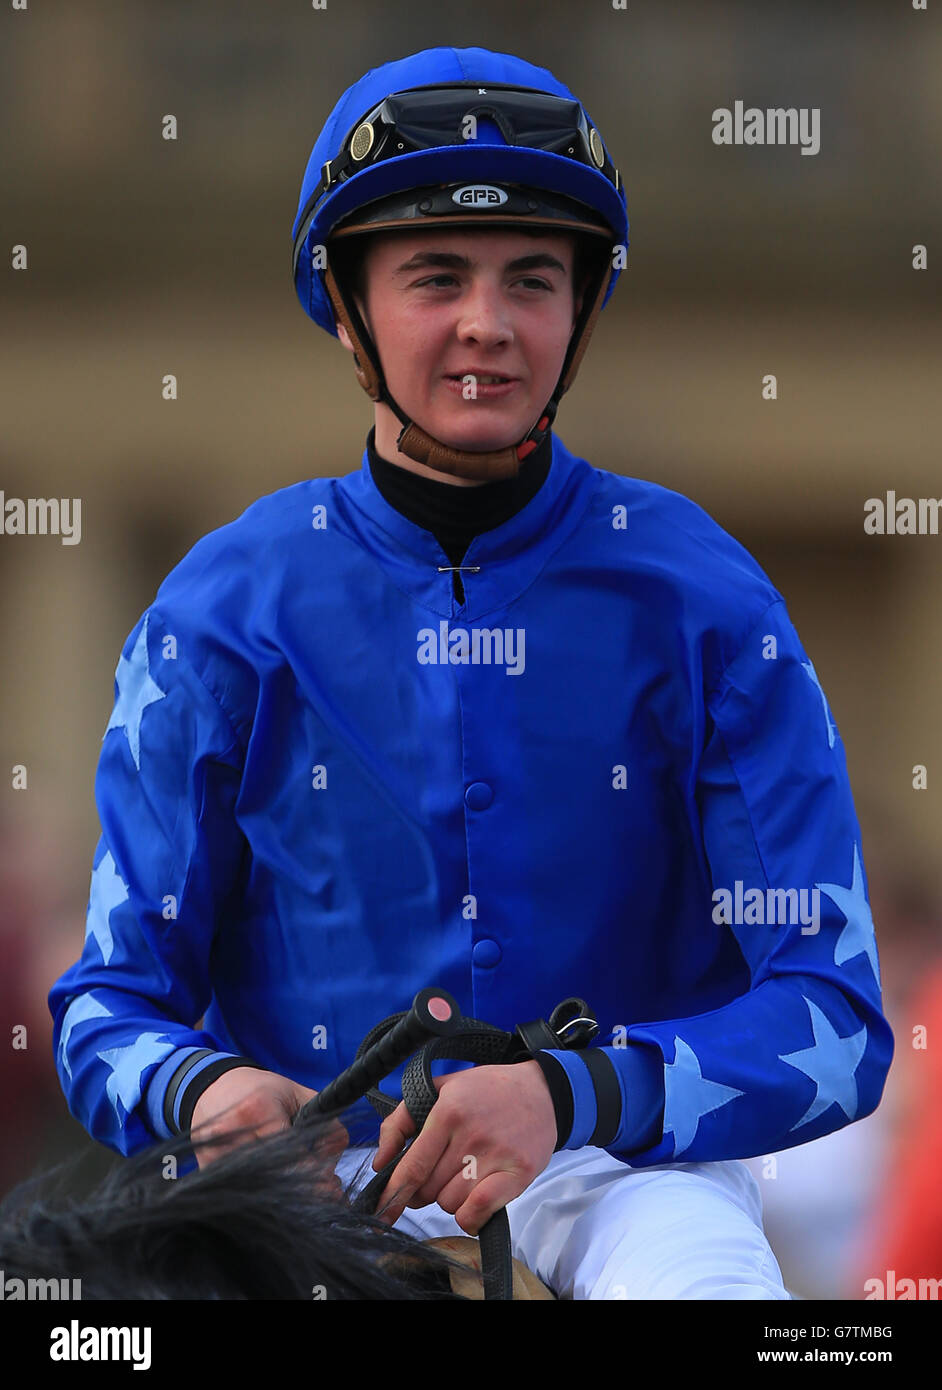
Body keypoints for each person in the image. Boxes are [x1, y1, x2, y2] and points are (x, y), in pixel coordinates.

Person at [49, 45, 893, 1300]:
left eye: (534, 281)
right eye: (436, 277)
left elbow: (837, 1017)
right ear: (346, 306)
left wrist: (568, 1091)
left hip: (625, 1170)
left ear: (582, 311)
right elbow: (105, 1005)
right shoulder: (217, 610)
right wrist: (208, 1088)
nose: (488, 325)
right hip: (314, 1179)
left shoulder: (711, 599)